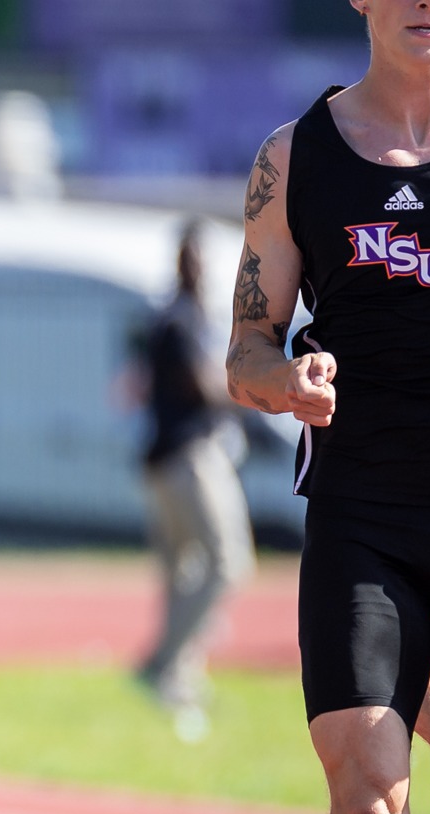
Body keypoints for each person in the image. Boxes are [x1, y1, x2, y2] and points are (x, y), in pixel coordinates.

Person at [225, 2, 430, 814]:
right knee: (365, 813)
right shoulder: (291, 158)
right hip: (363, 521)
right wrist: (282, 385)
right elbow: (244, 351)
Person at [133, 223, 255, 741]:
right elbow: (202, 386)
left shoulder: (172, 320)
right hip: (188, 458)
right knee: (226, 562)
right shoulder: (181, 321)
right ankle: (163, 662)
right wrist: (259, 388)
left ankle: (179, 671)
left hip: (166, 458)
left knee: (186, 571)